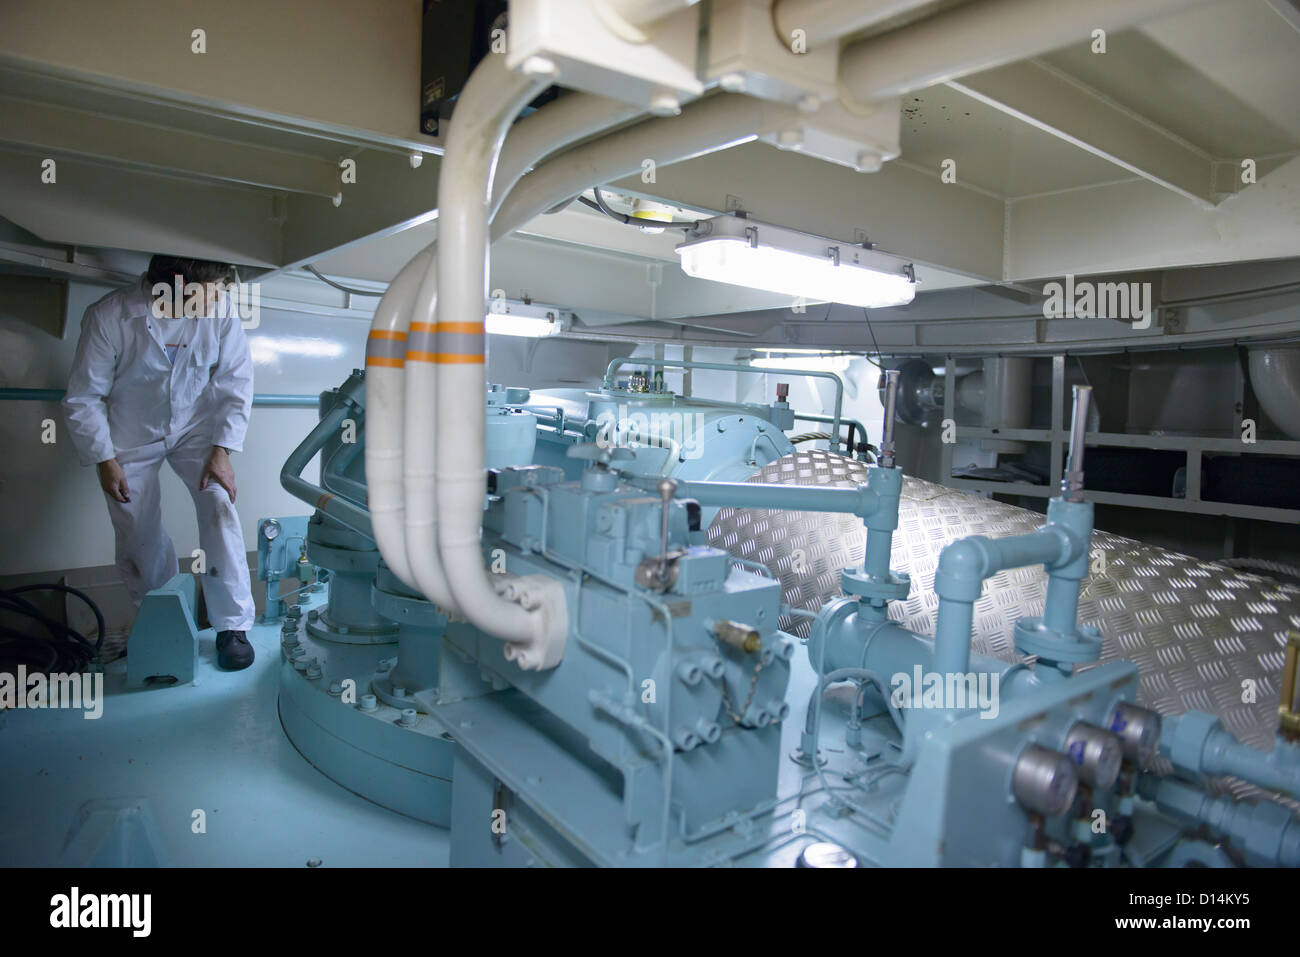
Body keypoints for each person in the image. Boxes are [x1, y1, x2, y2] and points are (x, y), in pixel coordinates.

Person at [63, 256, 257, 670]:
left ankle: (232, 625)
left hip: (195, 429)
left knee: (219, 505)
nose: (221, 296)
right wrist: (104, 459)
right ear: (177, 287)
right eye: (214, 287)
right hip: (131, 435)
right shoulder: (110, 316)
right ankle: (167, 617)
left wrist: (222, 449)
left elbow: (235, 380)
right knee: (137, 527)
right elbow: (84, 397)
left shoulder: (218, 311)